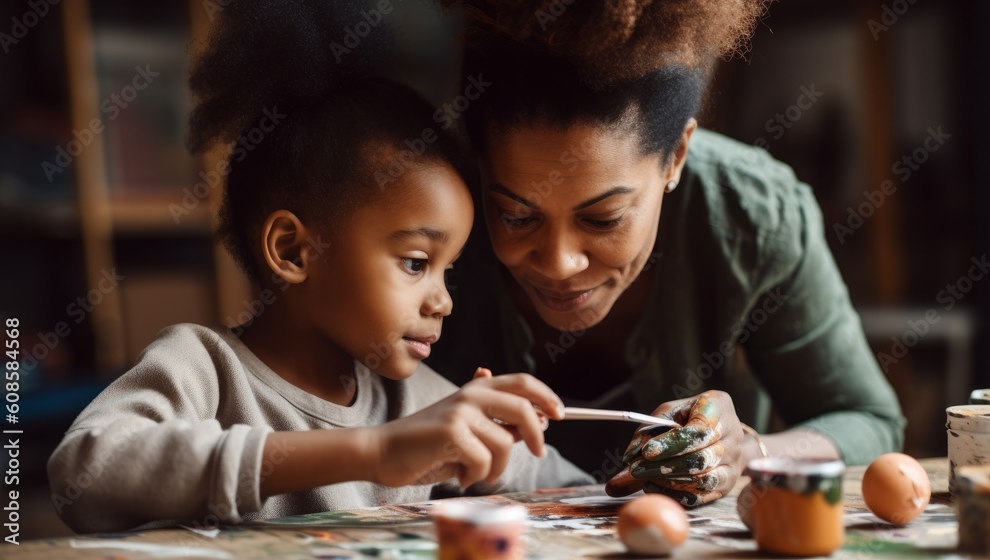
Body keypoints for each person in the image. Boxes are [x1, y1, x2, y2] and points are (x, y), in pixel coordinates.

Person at [46, 1, 590, 534]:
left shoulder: (417, 399)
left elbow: (569, 488)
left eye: (447, 271)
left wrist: (649, 466)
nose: (443, 299)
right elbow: (85, 472)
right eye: (416, 262)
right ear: (293, 251)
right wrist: (374, 451)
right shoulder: (205, 368)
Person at [426, 0, 905, 506]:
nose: (560, 263)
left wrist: (746, 452)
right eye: (517, 216)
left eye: (603, 219)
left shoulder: (753, 215)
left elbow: (867, 421)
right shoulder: (419, 214)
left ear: (676, 156)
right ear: (476, 166)